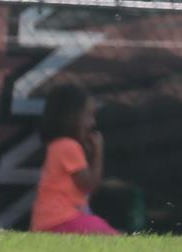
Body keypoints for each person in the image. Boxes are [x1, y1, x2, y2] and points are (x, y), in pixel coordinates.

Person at [31, 84, 120, 235]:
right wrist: (99, 151)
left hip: (53, 220)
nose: (93, 123)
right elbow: (88, 186)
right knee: (114, 238)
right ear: (70, 117)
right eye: (88, 115)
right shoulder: (68, 146)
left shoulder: (59, 145)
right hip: (60, 219)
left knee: (105, 230)